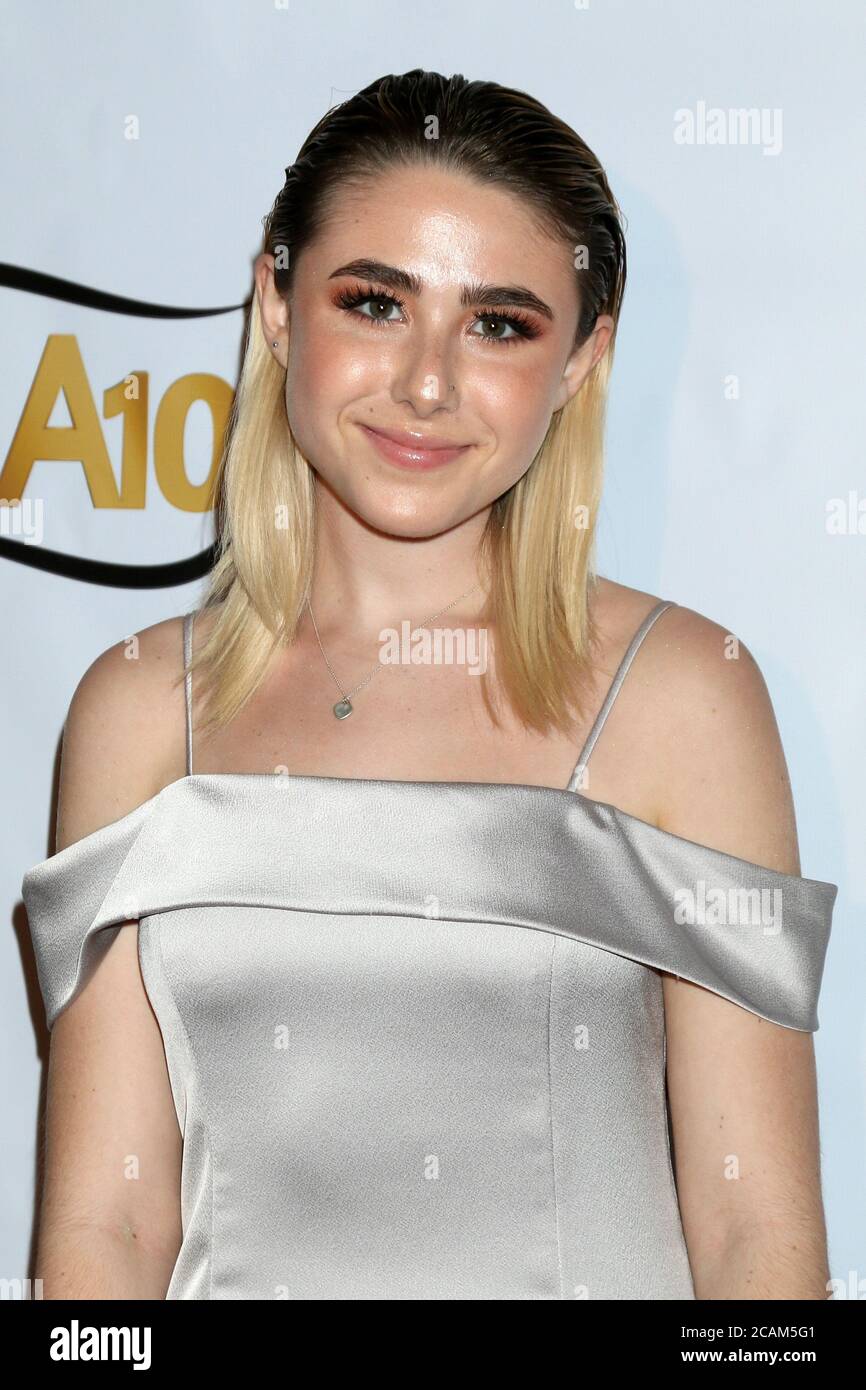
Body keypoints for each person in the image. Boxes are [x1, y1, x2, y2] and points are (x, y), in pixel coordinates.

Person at [22, 69, 837, 1300]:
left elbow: (755, 1252)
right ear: (279, 307)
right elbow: (102, 1236)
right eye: (374, 302)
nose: (426, 382)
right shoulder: (138, 709)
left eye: (499, 323)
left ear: (577, 362)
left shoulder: (682, 697)